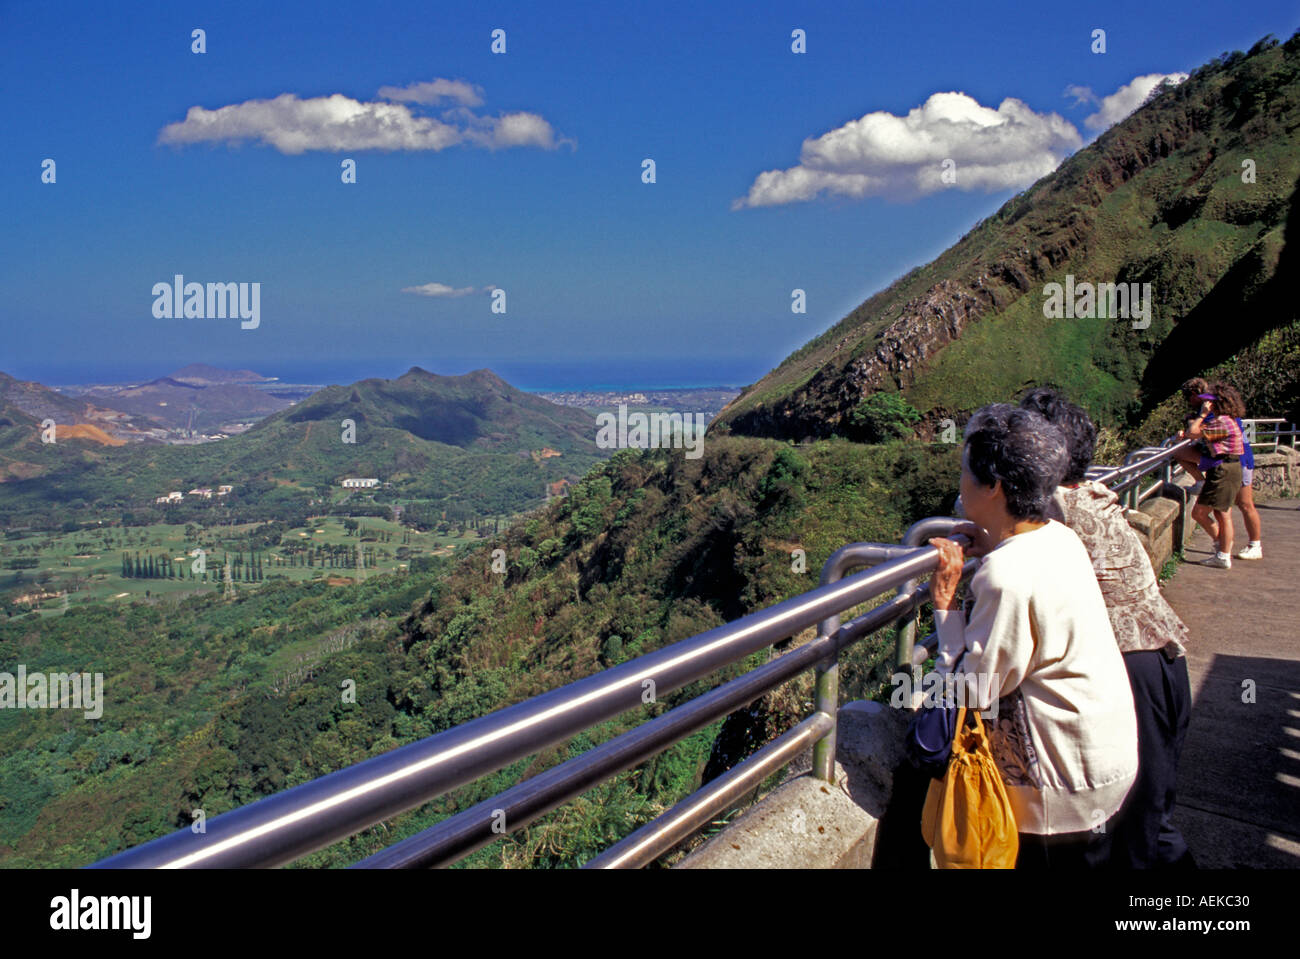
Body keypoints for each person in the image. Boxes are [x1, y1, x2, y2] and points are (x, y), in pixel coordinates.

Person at [927, 404, 1138, 869]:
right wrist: (995, 544)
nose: (960, 482)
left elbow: (973, 690)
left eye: (965, 471)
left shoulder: (1009, 574)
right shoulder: (1058, 537)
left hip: (1059, 791)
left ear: (994, 486)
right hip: (1104, 762)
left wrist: (944, 605)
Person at [1019, 387, 1195, 868]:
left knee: (1138, 833)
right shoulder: (1092, 492)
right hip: (1163, 663)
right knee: (1148, 821)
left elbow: (975, 505)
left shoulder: (1049, 504)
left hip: (1130, 673)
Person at [1177, 384, 1244, 568]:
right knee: (1221, 513)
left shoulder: (1222, 422)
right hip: (1227, 468)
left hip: (1224, 470)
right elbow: (1197, 434)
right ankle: (1222, 550)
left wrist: (1202, 414)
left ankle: (1222, 553)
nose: (1206, 403)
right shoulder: (1227, 420)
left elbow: (1193, 432)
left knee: (1202, 513)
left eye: (1209, 401)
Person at [1212, 382, 1263, 559]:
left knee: (1240, 505)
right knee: (1245, 505)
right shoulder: (1234, 418)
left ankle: (1251, 546)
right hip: (1244, 461)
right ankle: (1254, 544)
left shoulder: (1224, 420)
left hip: (1238, 463)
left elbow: (1210, 441)